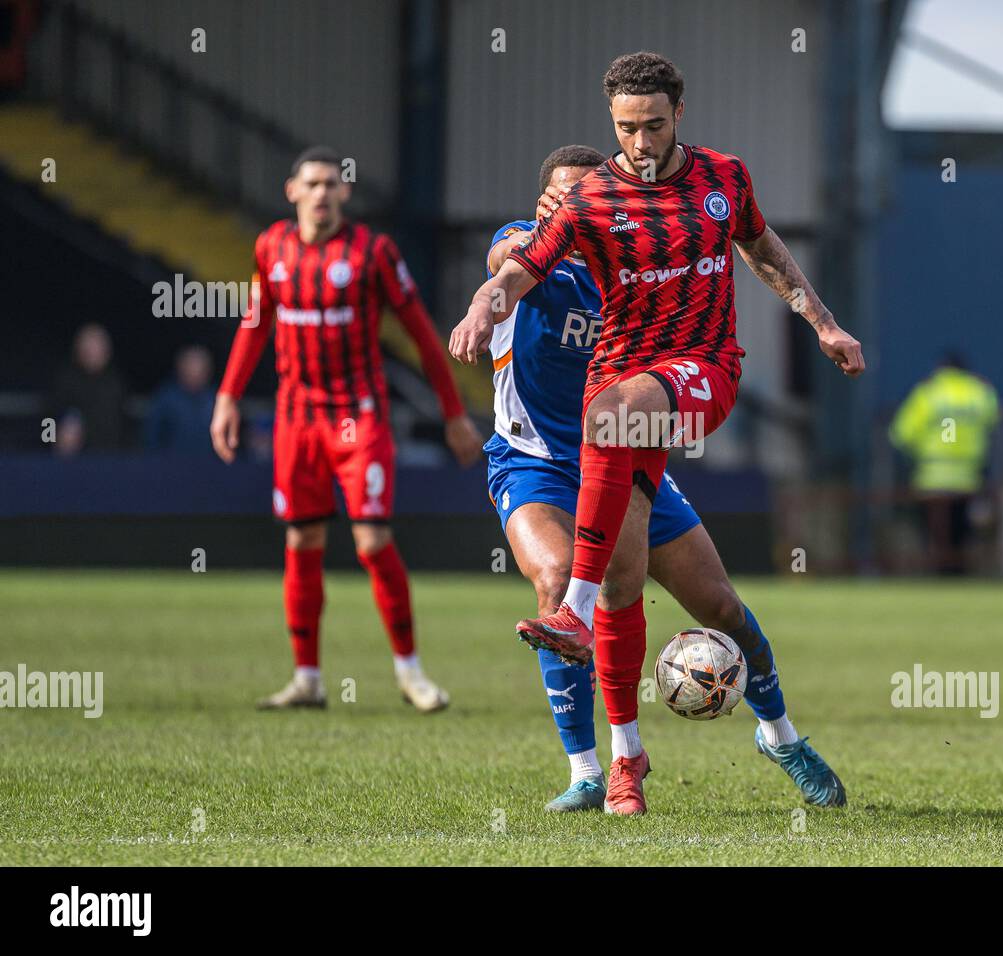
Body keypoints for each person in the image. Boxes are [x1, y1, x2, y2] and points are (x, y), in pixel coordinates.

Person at [450, 52, 864, 814]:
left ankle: (781, 733)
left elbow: (762, 248)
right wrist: (484, 305)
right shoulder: (573, 215)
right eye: (624, 129)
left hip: (685, 382)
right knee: (624, 591)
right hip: (557, 452)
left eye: (652, 126)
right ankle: (613, 766)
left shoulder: (720, 182)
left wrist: (824, 324)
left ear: (679, 114)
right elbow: (510, 266)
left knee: (703, 592)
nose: (639, 144)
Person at [210, 146, 483, 713]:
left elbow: (423, 336)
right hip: (296, 420)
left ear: (345, 192)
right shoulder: (271, 249)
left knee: (371, 540)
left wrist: (453, 412)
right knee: (301, 540)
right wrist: (228, 398)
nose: (322, 192)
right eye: (311, 183)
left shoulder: (373, 253)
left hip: (358, 419)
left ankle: (409, 672)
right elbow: (255, 324)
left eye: (332, 183)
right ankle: (307, 679)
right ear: (292, 191)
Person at [889, 352, 998, 574]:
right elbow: (991, 425)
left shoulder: (928, 393)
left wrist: (916, 455)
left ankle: (938, 574)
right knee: (963, 535)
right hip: (969, 478)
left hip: (932, 476)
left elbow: (901, 434)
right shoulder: (980, 393)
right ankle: (961, 574)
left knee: (936, 535)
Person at [46, 323, 128, 453]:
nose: (92, 352)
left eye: (97, 347)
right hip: (69, 461)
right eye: (88, 347)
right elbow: (48, 419)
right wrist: (55, 437)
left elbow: (118, 425)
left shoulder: (116, 383)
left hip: (108, 458)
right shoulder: (63, 381)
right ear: (78, 349)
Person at [144, 345, 217, 455]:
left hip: (210, 467)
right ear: (181, 368)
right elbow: (151, 437)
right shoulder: (166, 398)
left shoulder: (217, 399)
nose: (195, 373)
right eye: (191, 366)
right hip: (171, 466)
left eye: (201, 368)